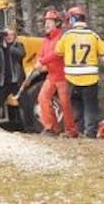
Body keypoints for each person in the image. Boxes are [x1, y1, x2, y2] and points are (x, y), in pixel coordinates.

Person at [55, 6, 104, 138]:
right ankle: (90, 132)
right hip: (90, 78)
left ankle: (79, 131)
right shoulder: (94, 36)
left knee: (76, 105)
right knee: (90, 105)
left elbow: (58, 51)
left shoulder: (67, 36)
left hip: (72, 78)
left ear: (73, 19)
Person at [34, 9, 78, 137]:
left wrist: (42, 61)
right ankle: (51, 128)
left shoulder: (62, 38)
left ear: (57, 23)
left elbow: (57, 54)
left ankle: (71, 130)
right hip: (51, 76)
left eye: (49, 22)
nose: (46, 24)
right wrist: (40, 63)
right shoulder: (46, 39)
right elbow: (41, 53)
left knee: (65, 104)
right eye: (45, 22)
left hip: (62, 76)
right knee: (43, 98)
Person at [0, 22, 25, 122]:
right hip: (2, 82)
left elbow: (21, 54)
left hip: (16, 81)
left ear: (15, 36)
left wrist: (7, 47)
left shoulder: (18, 45)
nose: (9, 37)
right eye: (7, 35)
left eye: (12, 35)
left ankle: (31, 128)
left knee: (25, 105)